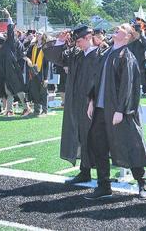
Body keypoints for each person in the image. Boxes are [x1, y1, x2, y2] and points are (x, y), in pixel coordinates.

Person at [83, 24, 146, 200]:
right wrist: (91, 100)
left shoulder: (126, 56)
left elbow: (128, 86)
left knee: (130, 144)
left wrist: (121, 110)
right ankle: (104, 185)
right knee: (99, 146)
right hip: (100, 109)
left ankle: (142, 182)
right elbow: (96, 79)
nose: (116, 28)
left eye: (121, 28)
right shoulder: (106, 53)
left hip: (119, 110)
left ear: (127, 36)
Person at [46, 25, 102, 184]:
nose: (77, 44)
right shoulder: (76, 54)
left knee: (96, 137)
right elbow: (55, 57)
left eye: (79, 41)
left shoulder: (100, 54)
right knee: (80, 135)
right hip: (76, 101)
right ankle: (85, 171)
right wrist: (60, 41)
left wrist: (93, 99)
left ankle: (103, 176)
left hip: (94, 103)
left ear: (88, 37)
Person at [0, 9, 30, 116]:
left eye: (7, 33)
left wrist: (8, 17)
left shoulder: (12, 41)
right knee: (9, 90)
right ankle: (9, 110)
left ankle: (26, 108)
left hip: (13, 70)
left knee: (18, 90)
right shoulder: (7, 43)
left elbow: (10, 30)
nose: (5, 34)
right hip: (7, 70)